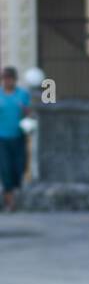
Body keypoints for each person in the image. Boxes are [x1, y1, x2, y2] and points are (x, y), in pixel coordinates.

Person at [0, 66, 31, 212]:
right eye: (5, 78)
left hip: (19, 136)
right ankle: (9, 202)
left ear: (14, 79)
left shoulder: (23, 94)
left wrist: (25, 110)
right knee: (5, 169)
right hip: (2, 138)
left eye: (10, 78)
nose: (7, 81)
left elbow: (30, 113)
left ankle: (14, 194)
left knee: (18, 167)